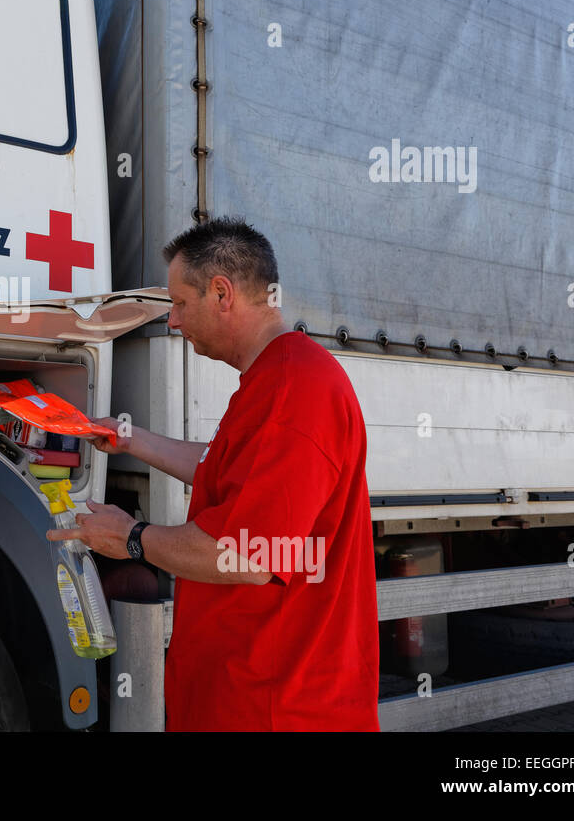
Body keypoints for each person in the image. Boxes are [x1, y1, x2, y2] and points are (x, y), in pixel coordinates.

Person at [46, 216, 379, 731]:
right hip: (248, 694)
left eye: (180, 303)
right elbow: (219, 466)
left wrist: (131, 538)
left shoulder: (294, 388)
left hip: (274, 706)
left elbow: (248, 554)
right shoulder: (272, 378)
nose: (174, 321)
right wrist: (128, 437)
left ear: (222, 293)